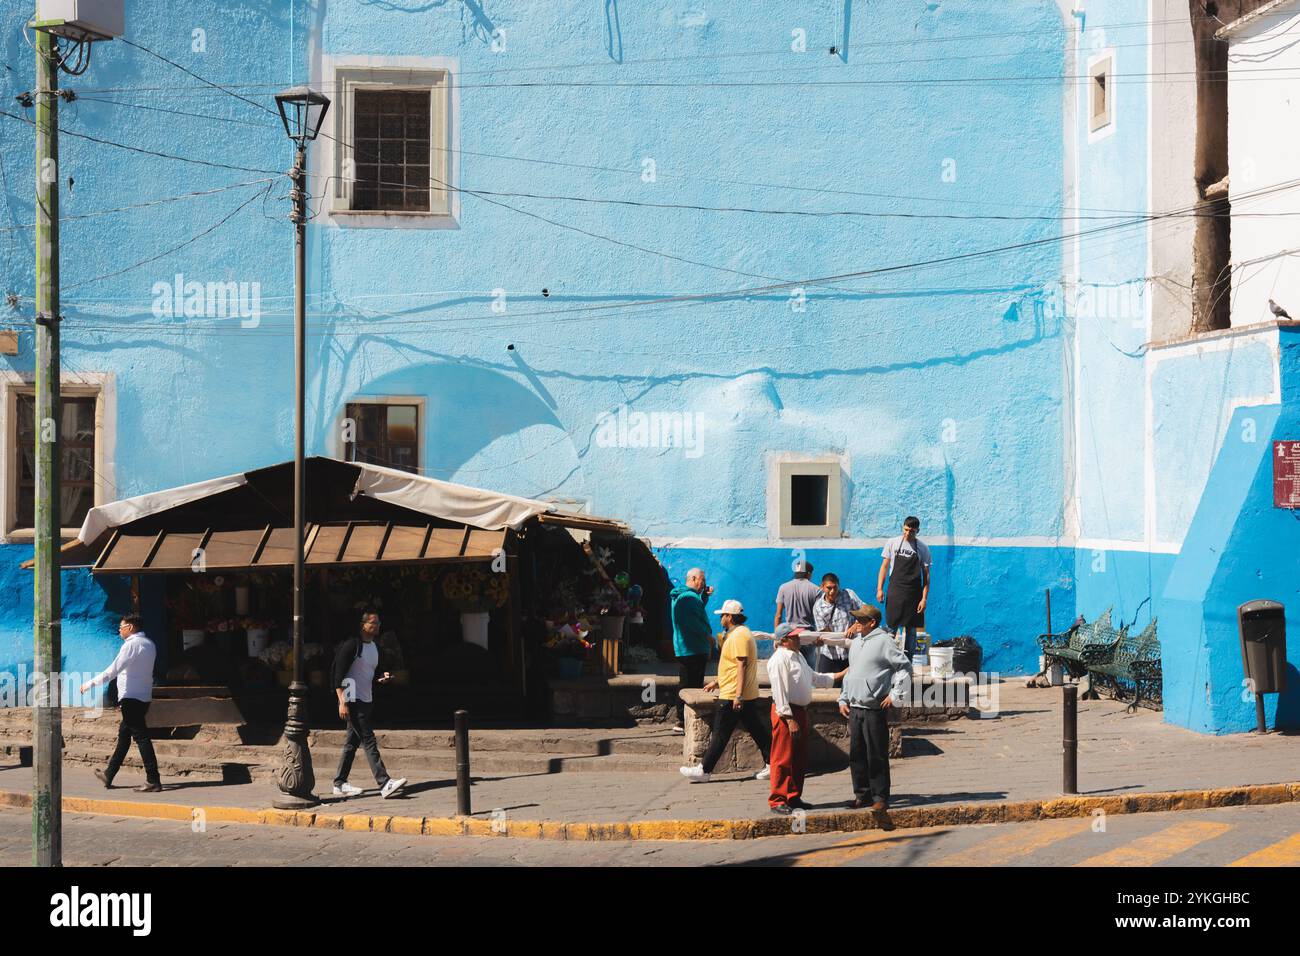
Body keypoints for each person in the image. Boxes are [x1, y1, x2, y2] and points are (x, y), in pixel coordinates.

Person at [679, 599, 771, 783]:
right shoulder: (740, 633)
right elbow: (733, 666)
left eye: (723, 615)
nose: (721, 618)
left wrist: (738, 695)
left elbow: (741, 665)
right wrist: (717, 681)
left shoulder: (738, 636)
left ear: (730, 616)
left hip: (732, 695)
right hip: (739, 692)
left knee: (721, 734)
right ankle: (773, 764)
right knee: (757, 730)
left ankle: (704, 770)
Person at [837, 605, 911, 814]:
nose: (856, 623)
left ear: (872, 623)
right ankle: (862, 794)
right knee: (856, 754)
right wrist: (843, 698)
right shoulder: (857, 642)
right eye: (856, 619)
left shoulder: (885, 641)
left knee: (876, 754)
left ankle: (880, 797)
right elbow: (851, 673)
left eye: (861, 620)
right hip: (855, 707)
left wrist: (896, 695)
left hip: (874, 708)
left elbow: (904, 667)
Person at [766, 623, 845, 814]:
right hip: (787, 713)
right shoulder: (778, 660)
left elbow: (814, 678)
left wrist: (841, 674)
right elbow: (779, 692)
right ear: (784, 640)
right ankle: (778, 799)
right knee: (782, 757)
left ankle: (793, 796)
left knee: (798, 757)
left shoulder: (798, 656)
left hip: (799, 710)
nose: (798, 639)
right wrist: (789, 718)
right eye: (794, 636)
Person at [331, 608, 407, 799]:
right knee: (368, 739)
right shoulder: (351, 646)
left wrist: (382, 677)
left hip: (367, 699)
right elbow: (337, 675)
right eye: (373, 623)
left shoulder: (375, 648)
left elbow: (370, 674)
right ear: (362, 625)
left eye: (378, 623)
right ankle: (384, 782)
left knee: (351, 743)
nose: (377, 626)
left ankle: (339, 783)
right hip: (352, 698)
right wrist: (342, 701)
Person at [82, 614, 162, 792]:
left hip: (130, 698)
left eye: (122, 626)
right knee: (124, 736)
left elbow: (113, 670)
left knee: (141, 738)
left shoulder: (131, 645)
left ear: (131, 627)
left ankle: (153, 779)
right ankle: (109, 774)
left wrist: (90, 683)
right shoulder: (149, 644)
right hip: (143, 697)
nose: (119, 629)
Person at [877, 516, 931, 658]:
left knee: (911, 631)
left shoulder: (923, 548)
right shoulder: (892, 542)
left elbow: (926, 576)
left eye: (911, 531)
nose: (907, 533)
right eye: (905, 530)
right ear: (903, 527)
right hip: (895, 590)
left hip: (914, 594)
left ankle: (908, 663)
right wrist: (880, 589)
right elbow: (884, 567)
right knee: (890, 628)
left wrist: (924, 599)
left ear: (917, 531)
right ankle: (887, 659)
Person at [670, 567, 715, 734]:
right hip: (693, 647)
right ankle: (683, 720)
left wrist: (703, 597)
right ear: (694, 579)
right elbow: (695, 622)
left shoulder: (684, 596)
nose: (704, 583)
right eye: (702, 580)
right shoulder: (689, 598)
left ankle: (682, 719)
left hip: (685, 647)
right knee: (692, 686)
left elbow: (695, 611)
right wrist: (708, 636)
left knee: (686, 682)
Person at [774, 559, 822, 669]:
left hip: (790, 635)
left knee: (791, 668)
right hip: (808, 635)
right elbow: (820, 615)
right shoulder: (816, 590)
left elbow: (778, 615)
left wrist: (777, 637)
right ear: (809, 574)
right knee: (808, 670)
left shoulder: (783, 588)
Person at [811, 572, 861, 673]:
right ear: (822, 587)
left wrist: (855, 626)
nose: (832, 591)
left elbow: (864, 613)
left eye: (835, 587)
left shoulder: (849, 595)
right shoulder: (818, 607)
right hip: (830, 654)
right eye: (829, 588)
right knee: (826, 687)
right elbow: (824, 631)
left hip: (851, 652)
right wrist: (819, 640)